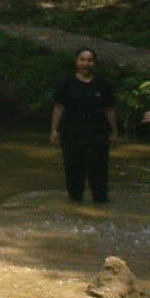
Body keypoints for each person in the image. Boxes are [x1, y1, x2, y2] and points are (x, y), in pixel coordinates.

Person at [50, 48, 117, 203]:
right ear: (76, 61)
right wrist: (54, 130)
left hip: (98, 135)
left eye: (89, 60)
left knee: (99, 177)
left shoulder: (103, 84)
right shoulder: (66, 82)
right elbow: (59, 107)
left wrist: (114, 131)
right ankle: (75, 209)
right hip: (72, 135)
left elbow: (109, 109)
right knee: (74, 176)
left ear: (94, 63)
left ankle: (100, 209)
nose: (86, 63)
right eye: (82, 60)